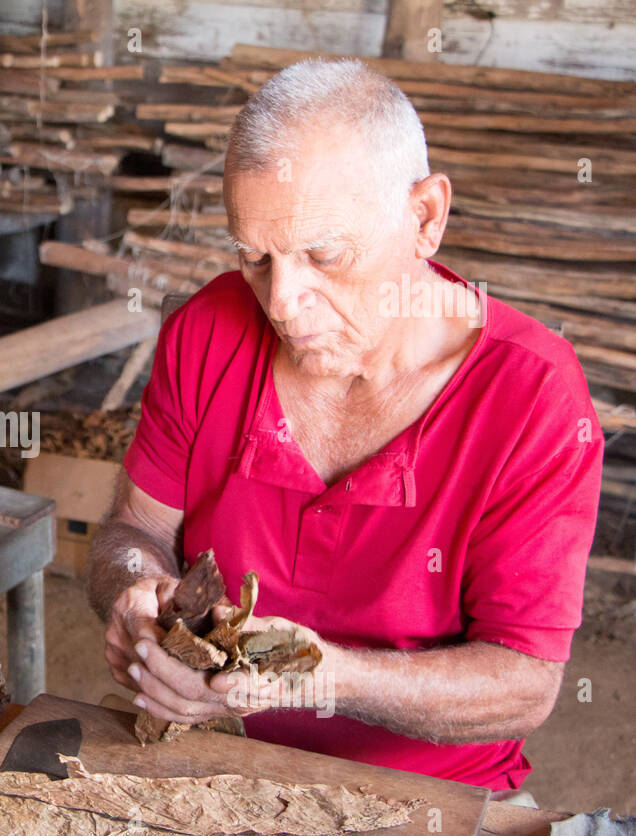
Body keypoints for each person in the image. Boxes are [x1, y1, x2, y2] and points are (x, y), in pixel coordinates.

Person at [87, 58, 603, 791]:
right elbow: (131, 533)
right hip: (215, 758)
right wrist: (135, 596)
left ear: (425, 217)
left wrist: (320, 676)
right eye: (255, 259)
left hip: (429, 799)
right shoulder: (207, 331)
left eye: (323, 255)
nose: (283, 303)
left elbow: (523, 684)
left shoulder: (531, 397)